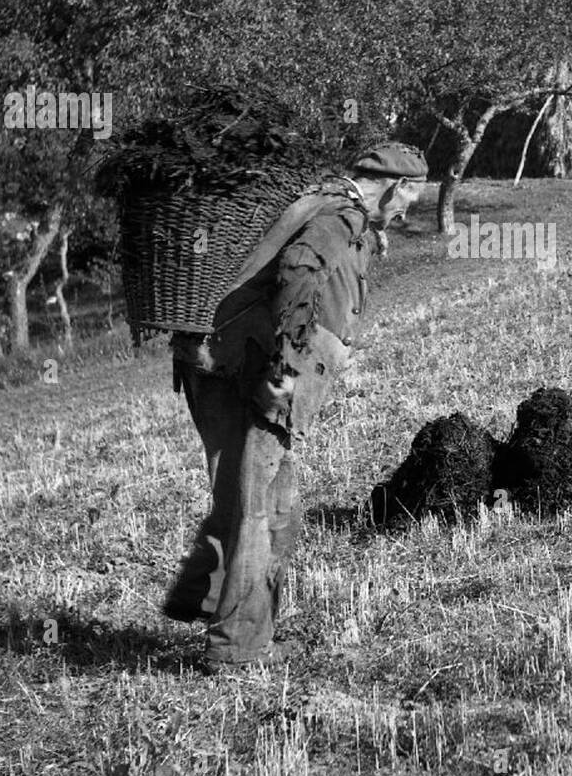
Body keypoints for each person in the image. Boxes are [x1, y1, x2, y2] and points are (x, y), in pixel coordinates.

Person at [164, 142, 428, 671]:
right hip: (255, 373)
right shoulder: (341, 215)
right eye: (410, 199)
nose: (406, 213)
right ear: (397, 186)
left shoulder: (318, 199)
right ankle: (236, 650)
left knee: (277, 503)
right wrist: (284, 366)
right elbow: (300, 267)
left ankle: (206, 599)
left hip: (215, 359)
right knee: (256, 507)